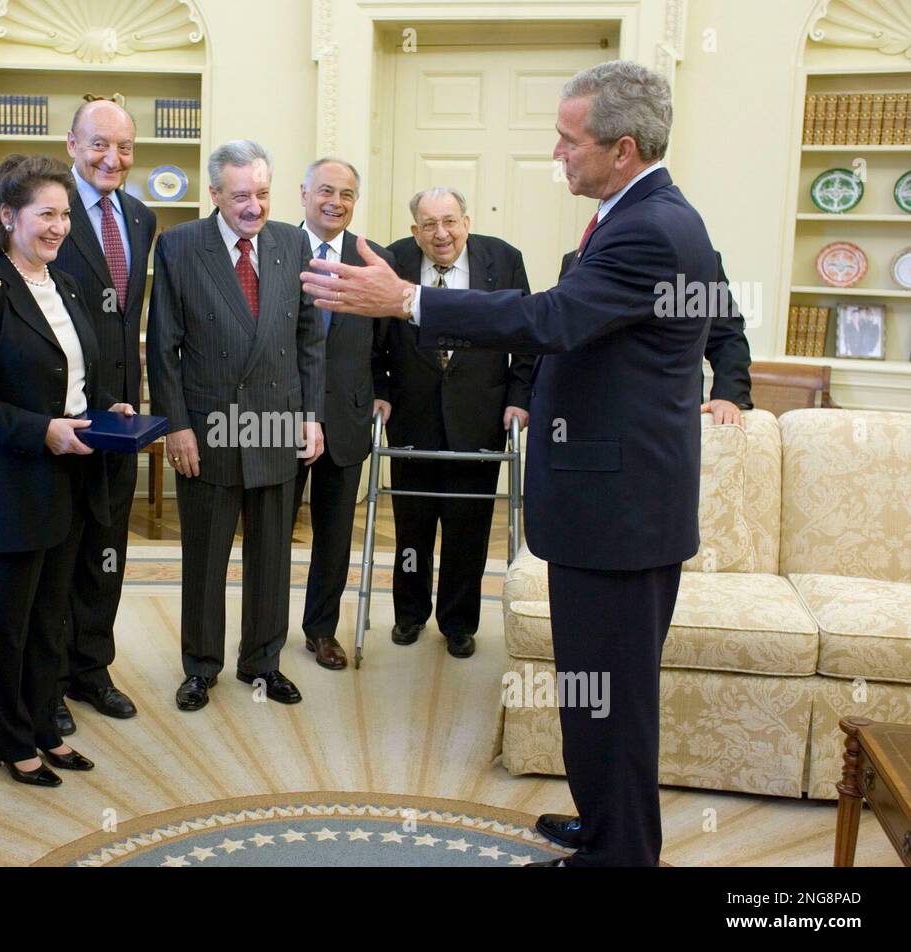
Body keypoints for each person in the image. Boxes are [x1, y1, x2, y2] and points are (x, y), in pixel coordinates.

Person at [302, 60, 718, 867]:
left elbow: (552, 318)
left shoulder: (652, 226)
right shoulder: (632, 213)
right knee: (589, 694)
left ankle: (621, 854)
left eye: (568, 140)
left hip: (621, 514)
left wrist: (409, 301)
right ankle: (603, 825)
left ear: (623, 147)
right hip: (607, 505)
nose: (554, 152)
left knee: (614, 703)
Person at [0, 155, 135, 786]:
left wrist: (103, 406)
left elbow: (72, 374)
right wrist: (44, 431)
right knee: (7, 623)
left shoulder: (70, 285)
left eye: (64, 213)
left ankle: (45, 728)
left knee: (51, 615)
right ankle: (13, 741)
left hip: (73, 480)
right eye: (45, 214)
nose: (59, 226)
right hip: (10, 483)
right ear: (8, 216)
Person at [147, 140, 325, 711]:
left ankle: (263, 661)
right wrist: (176, 426)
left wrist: (311, 418)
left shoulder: (292, 242)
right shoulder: (178, 246)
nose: (254, 206)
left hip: (276, 421)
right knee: (206, 557)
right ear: (216, 193)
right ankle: (201, 667)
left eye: (264, 194)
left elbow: (309, 341)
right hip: (208, 424)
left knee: (273, 555)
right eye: (242, 195)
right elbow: (163, 347)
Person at [379, 187, 534, 659]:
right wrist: (380, 392)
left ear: (466, 221)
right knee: (412, 525)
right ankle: (409, 614)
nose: (441, 234)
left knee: (469, 527)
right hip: (411, 414)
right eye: (429, 225)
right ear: (415, 231)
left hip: (480, 414)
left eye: (449, 222)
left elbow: (527, 334)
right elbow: (373, 337)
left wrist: (519, 397)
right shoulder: (394, 260)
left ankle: (460, 621)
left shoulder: (503, 260)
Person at [50, 98, 156, 733]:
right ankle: (51, 678)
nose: (111, 158)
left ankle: (92, 668)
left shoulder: (141, 216)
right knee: (62, 549)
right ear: (71, 144)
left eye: (122, 147)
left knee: (107, 549)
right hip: (63, 414)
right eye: (98, 144)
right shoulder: (49, 212)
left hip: (121, 414)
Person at [292, 157, 395, 670]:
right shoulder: (273, 250)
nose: (335, 202)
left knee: (333, 540)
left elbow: (388, 341)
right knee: (271, 535)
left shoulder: (370, 259)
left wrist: (382, 390)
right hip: (282, 421)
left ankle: (321, 631)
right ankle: (262, 635)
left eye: (347, 194)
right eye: (326, 191)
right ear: (304, 193)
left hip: (348, 419)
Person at [561, 248, 753, 424]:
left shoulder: (697, 260)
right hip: (593, 415)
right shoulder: (577, 261)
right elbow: (563, 339)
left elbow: (727, 336)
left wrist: (727, 396)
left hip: (670, 419)